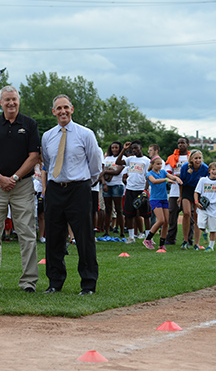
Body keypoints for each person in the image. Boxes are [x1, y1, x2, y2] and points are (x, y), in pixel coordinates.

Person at [0, 86, 40, 292]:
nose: (11, 103)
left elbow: (34, 155)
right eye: (7, 100)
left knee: (27, 233)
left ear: (19, 100)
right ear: (1, 102)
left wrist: (14, 177)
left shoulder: (30, 124)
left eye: (14, 99)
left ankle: (29, 282)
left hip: (22, 185)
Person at [41, 94, 102, 295]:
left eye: (66, 107)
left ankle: (88, 284)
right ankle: (55, 282)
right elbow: (49, 165)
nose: (62, 111)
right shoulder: (48, 136)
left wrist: (85, 183)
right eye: (58, 108)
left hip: (79, 189)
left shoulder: (86, 134)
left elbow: (94, 165)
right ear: (53, 112)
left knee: (84, 237)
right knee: (54, 238)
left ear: (72, 109)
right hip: (56, 189)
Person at [115, 141, 151, 244]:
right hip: (130, 189)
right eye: (133, 149)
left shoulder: (146, 160)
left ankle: (148, 238)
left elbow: (148, 177)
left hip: (141, 190)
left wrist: (145, 190)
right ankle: (131, 237)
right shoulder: (130, 159)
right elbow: (118, 162)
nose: (134, 150)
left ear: (141, 147)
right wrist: (124, 150)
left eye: (136, 148)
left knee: (146, 215)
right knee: (129, 214)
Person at [145, 157, 182, 250]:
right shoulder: (149, 174)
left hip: (164, 199)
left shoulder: (163, 172)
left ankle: (161, 244)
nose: (160, 166)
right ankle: (147, 239)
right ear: (152, 165)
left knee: (166, 222)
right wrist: (165, 180)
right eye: (157, 164)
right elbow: (154, 181)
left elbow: (171, 176)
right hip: (155, 199)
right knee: (161, 220)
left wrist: (177, 178)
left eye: (161, 164)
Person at [164, 137, 193, 245]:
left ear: (188, 144)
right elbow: (167, 173)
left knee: (189, 216)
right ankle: (171, 239)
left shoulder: (191, 157)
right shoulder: (171, 157)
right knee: (172, 216)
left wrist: (184, 176)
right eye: (179, 143)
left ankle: (189, 240)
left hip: (188, 191)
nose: (180, 145)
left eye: (183, 143)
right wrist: (175, 177)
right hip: (175, 192)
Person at [179, 150, 208, 250]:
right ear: (191, 159)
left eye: (199, 158)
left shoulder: (205, 168)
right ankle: (185, 241)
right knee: (186, 213)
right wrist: (180, 196)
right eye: (196, 158)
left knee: (197, 216)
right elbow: (181, 183)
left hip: (199, 191)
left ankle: (196, 243)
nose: (198, 160)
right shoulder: (185, 167)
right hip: (187, 190)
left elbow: (208, 182)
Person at [101, 141, 125, 239]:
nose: (114, 149)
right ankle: (107, 231)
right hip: (107, 185)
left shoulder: (123, 159)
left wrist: (105, 171)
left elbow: (117, 172)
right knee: (108, 209)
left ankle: (122, 232)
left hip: (117, 185)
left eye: (116, 147)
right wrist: (104, 183)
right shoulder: (107, 158)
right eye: (112, 148)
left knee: (118, 209)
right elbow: (100, 172)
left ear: (120, 148)